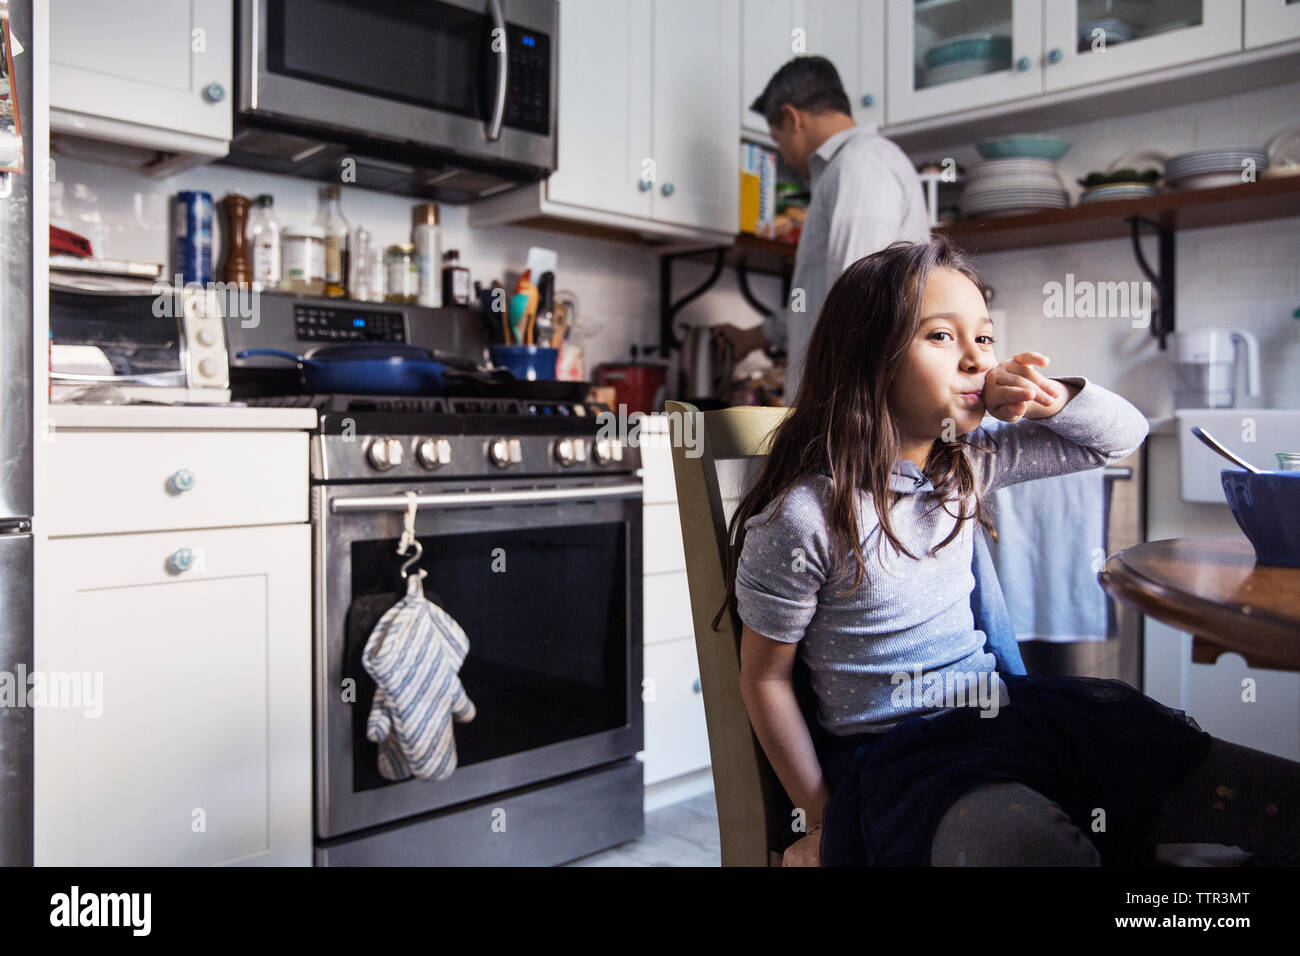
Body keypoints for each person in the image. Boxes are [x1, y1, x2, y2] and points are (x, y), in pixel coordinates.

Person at [716, 236, 1300, 867]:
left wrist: (1057, 399)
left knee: (1275, 799)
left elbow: (1119, 439)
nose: (976, 361)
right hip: (901, 768)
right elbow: (765, 678)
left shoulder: (968, 460)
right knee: (1041, 851)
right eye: (940, 336)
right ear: (868, 360)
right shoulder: (804, 516)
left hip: (999, 719)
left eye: (985, 338)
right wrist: (822, 819)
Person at [714, 56, 930, 402]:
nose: (784, 156)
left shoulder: (859, 165)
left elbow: (857, 305)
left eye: (778, 138)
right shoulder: (856, 166)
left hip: (846, 420)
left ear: (791, 118)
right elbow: (824, 300)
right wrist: (753, 337)